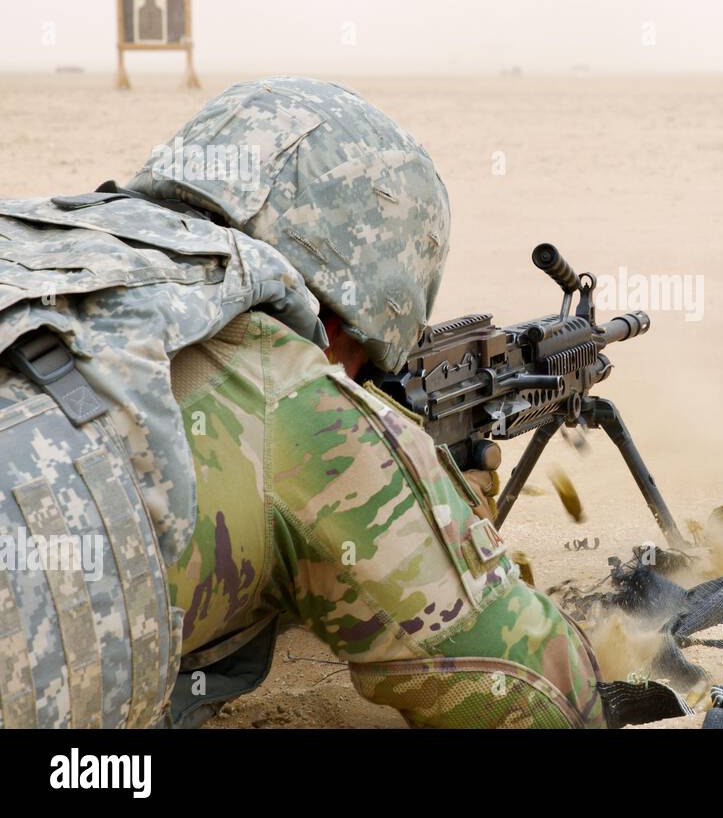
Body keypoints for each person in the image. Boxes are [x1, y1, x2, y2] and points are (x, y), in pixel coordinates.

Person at [0, 77, 604, 729]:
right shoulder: (292, 395)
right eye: (368, 372)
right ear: (353, 318)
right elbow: (535, 694)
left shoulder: (31, 244)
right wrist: (443, 517)